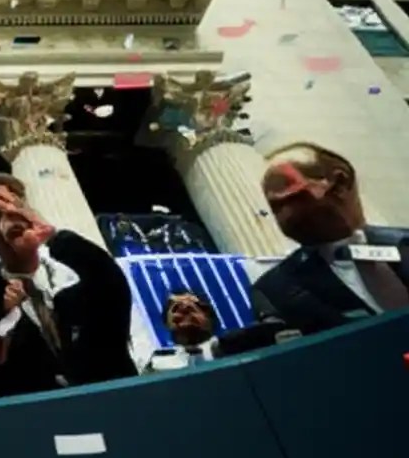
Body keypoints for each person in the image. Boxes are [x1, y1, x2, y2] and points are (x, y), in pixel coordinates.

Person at [0, 173, 136, 396]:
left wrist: (51, 235)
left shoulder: (74, 265)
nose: (7, 216)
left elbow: (114, 293)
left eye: (14, 204)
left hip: (115, 397)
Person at [253, 142, 408, 335]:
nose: (285, 216)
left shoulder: (404, 245)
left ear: (340, 183)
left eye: (293, 199)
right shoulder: (275, 289)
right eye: (276, 208)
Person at [142, 290, 219, 373]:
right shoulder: (157, 364)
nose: (184, 308)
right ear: (168, 324)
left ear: (209, 320)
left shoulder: (226, 349)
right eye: (176, 308)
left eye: (190, 309)